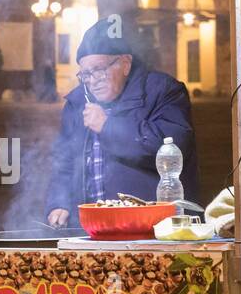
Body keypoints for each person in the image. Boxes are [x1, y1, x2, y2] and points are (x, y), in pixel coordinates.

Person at [45, 18, 200, 228]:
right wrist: (59, 202)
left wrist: (109, 126)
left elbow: (172, 149)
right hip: (93, 227)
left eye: (99, 70)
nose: (92, 81)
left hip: (151, 227)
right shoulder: (77, 102)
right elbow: (63, 161)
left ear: (125, 63)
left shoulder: (163, 91)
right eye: (86, 74)